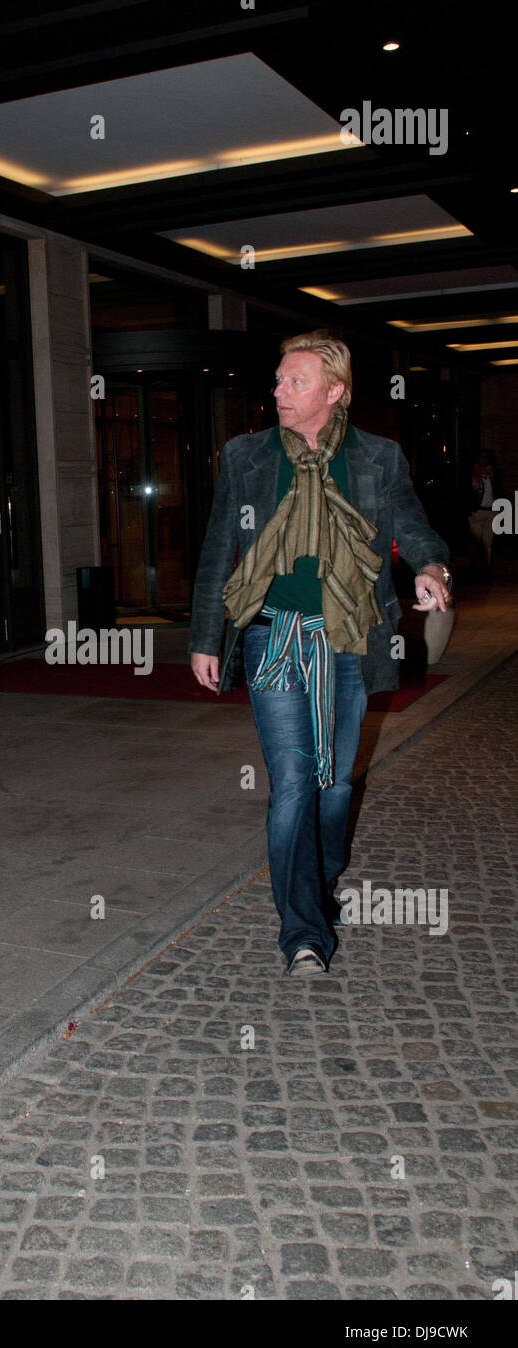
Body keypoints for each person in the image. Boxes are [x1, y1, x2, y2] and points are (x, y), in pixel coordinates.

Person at [190, 331, 451, 978]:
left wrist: (429, 567)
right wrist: (203, 636)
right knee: (292, 783)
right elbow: (218, 544)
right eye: (278, 380)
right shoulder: (246, 456)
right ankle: (302, 933)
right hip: (271, 632)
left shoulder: (376, 458)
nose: (277, 391)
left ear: (333, 392)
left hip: (347, 635)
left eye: (294, 381)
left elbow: (411, 521)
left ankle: (320, 875)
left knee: (332, 785)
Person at [467, 448, 500, 578]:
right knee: (475, 542)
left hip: (490, 511)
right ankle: (474, 569)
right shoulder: (473, 474)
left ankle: (486, 568)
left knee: (488, 542)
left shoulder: (492, 474)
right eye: (482, 457)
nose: (484, 460)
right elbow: (468, 493)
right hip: (477, 512)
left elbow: (497, 490)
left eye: (486, 458)